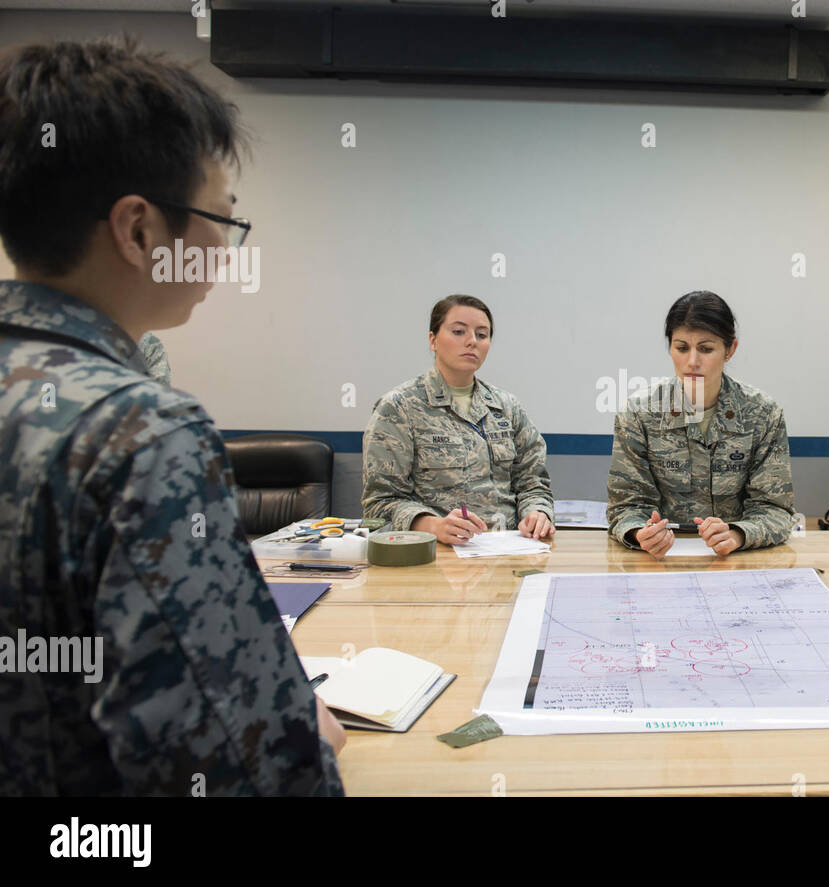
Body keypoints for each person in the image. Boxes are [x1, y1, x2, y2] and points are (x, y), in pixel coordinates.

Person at [0, 38, 344, 795]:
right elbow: (224, 767)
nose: (225, 248)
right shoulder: (141, 433)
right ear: (139, 230)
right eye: (220, 218)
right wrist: (302, 740)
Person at [607, 291, 794, 557]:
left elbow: (775, 509)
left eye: (706, 349)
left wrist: (739, 533)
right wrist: (640, 533)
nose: (692, 362)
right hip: (660, 559)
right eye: (681, 348)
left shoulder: (763, 414)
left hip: (736, 557)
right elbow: (625, 506)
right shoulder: (639, 413)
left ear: (730, 350)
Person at [362, 295, 554, 543]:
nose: (472, 341)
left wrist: (536, 513)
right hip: (435, 554)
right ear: (433, 340)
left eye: (482, 335)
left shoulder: (507, 407)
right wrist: (431, 525)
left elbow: (533, 483)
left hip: (509, 549)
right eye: (458, 331)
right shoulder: (399, 408)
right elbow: (379, 504)